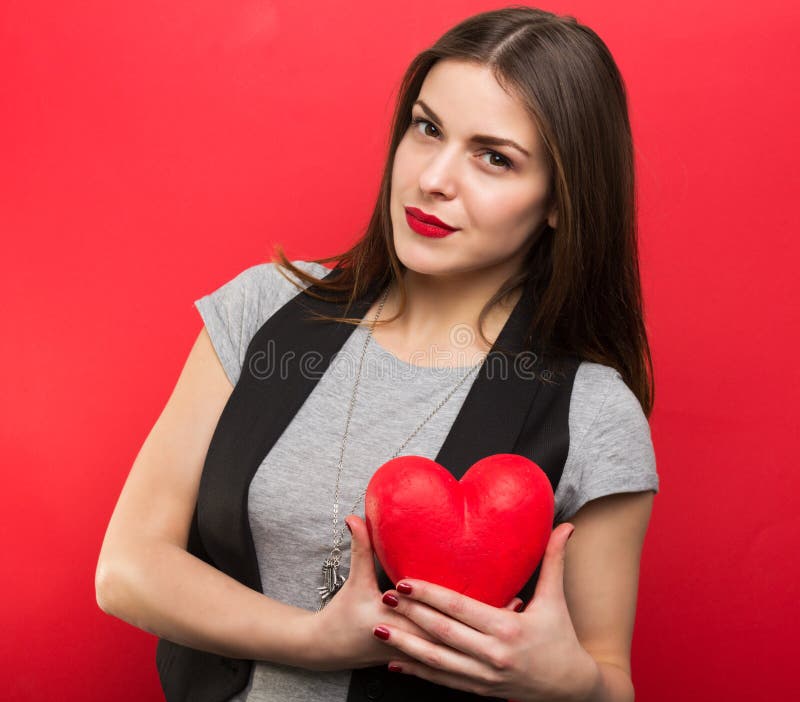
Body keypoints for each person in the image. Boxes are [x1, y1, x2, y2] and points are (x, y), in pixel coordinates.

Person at [96, 6, 659, 702]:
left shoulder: (593, 411)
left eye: (494, 157)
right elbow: (127, 567)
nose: (434, 178)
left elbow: (610, 682)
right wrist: (316, 640)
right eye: (428, 129)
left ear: (558, 200)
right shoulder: (264, 308)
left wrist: (566, 680)